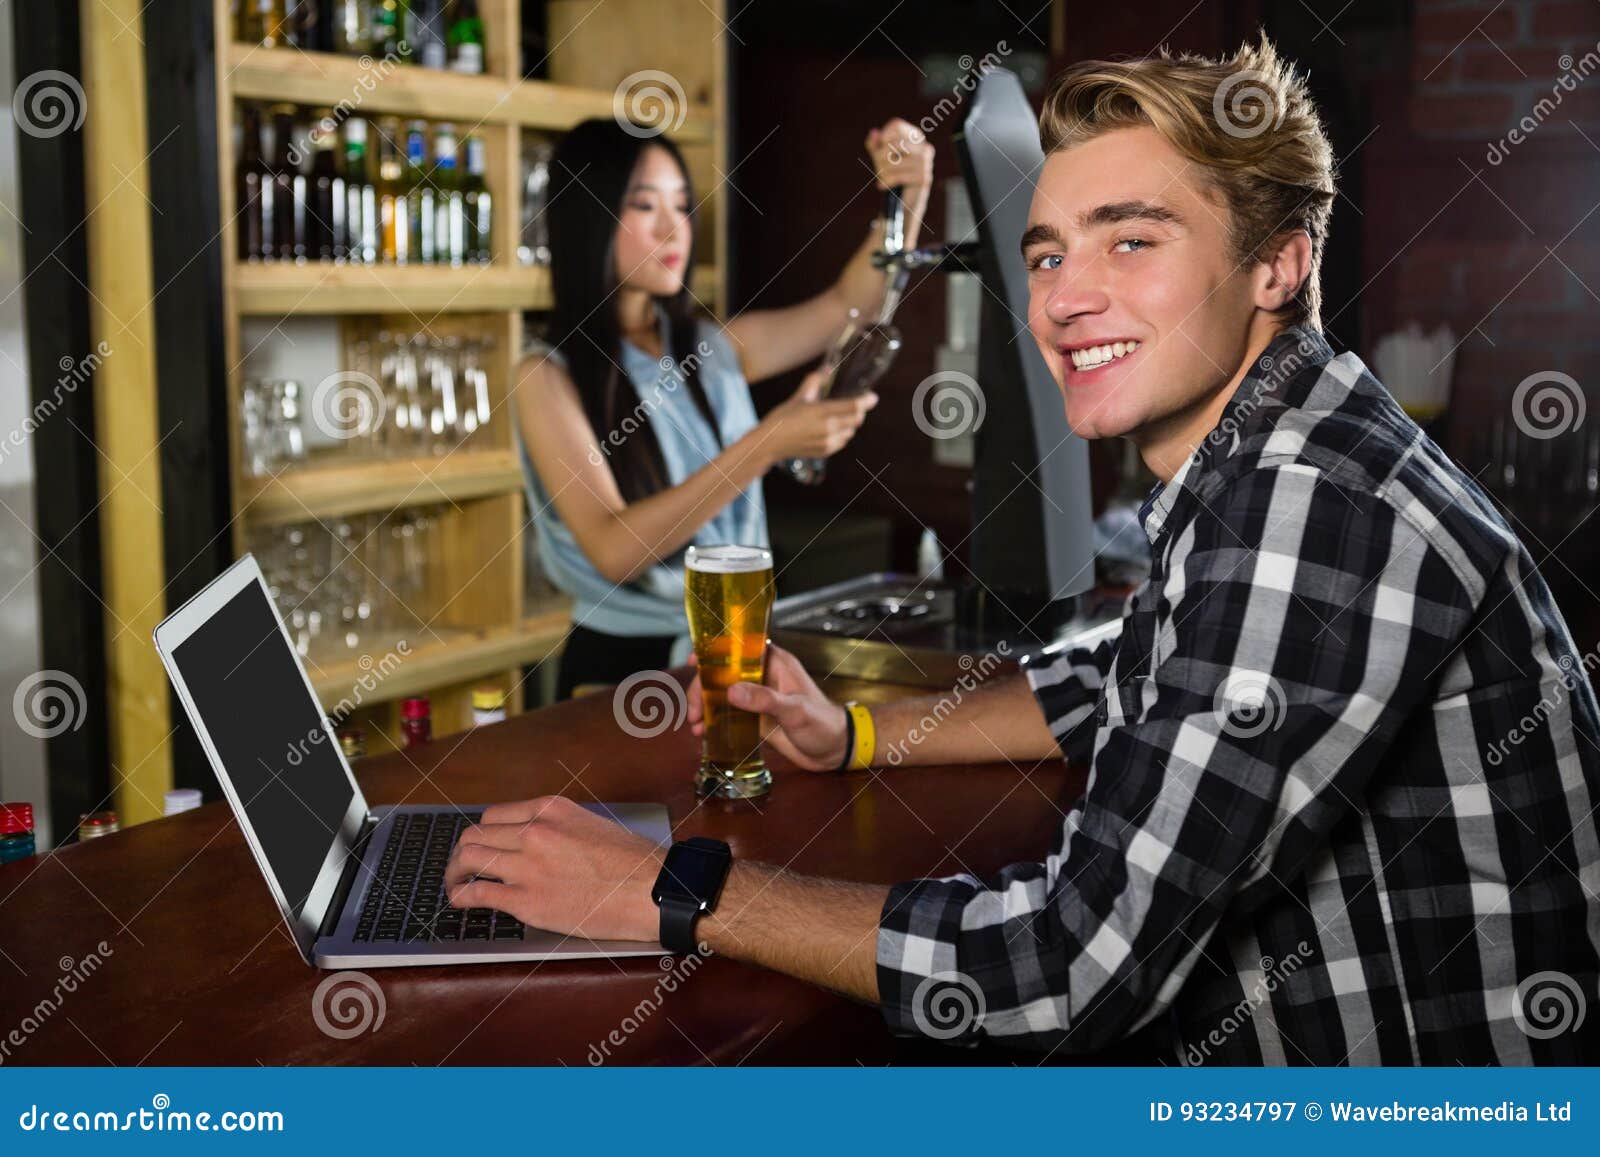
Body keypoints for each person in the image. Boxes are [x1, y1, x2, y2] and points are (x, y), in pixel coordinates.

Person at [450, 38, 1600, 1064]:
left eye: (1131, 242)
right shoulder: (1280, 457)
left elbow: (1063, 970)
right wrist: (854, 731)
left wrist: (667, 883)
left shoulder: (1307, 502)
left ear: (1276, 265)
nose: (1063, 300)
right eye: (1045, 256)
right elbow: (1135, 675)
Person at [517, 117, 932, 699]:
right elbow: (614, 552)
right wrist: (768, 443)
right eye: (644, 206)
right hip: (623, 674)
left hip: (738, 643)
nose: (673, 229)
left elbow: (849, 306)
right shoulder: (545, 376)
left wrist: (906, 198)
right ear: (588, 216)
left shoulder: (711, 350)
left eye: (682, 205)